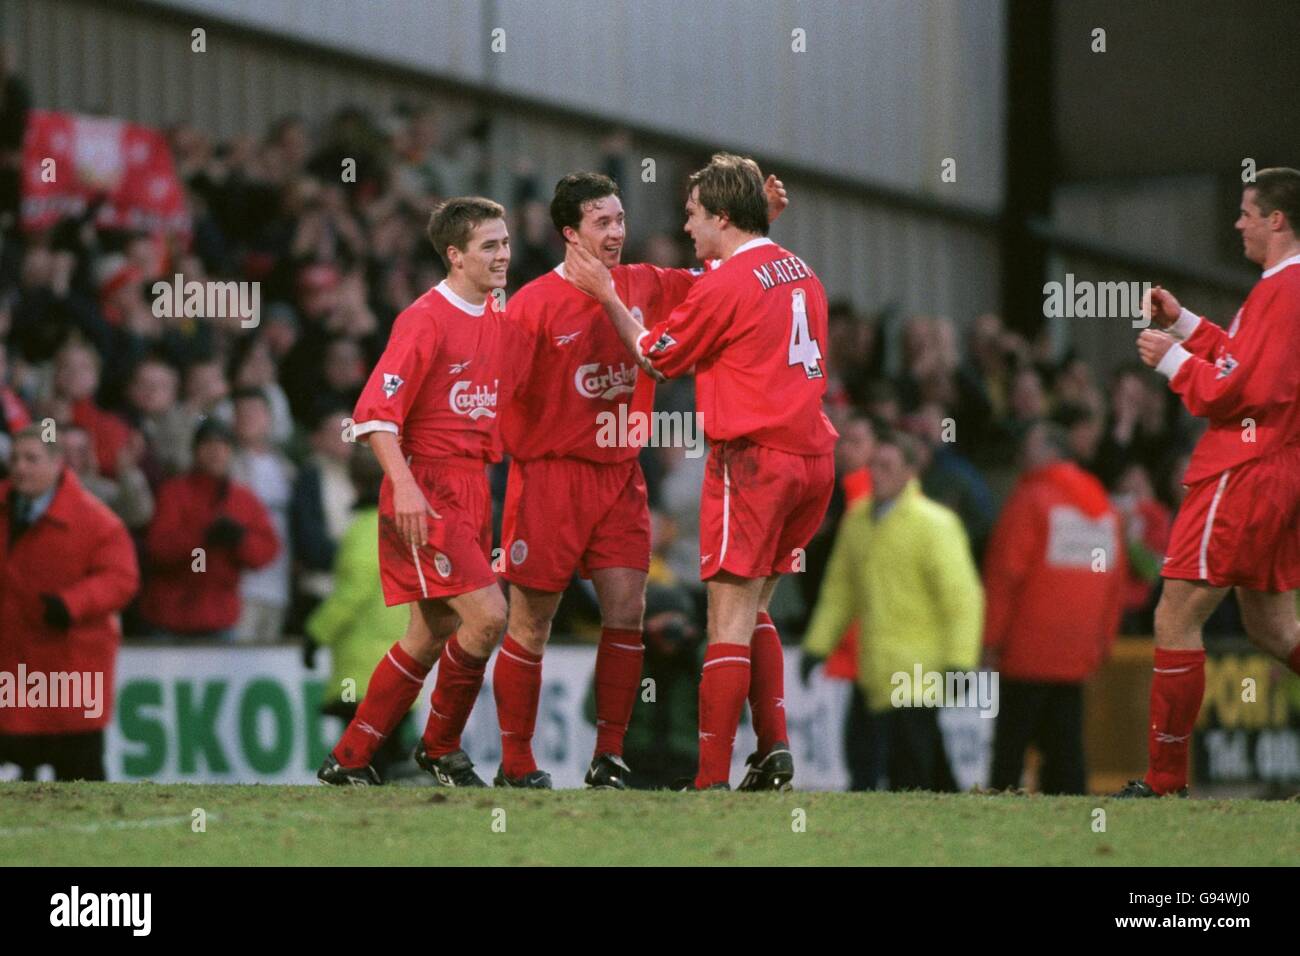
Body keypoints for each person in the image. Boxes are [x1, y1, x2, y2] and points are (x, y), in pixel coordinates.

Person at [493, 169, 787, 789]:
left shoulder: (646, 283)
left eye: (620, 220)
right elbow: (497, 398)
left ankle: (609, 756)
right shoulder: (530, 308)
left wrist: (763, 228)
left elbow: (723, 283)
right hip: (549, 478)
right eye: (602, 222)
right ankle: (516, 762)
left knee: (628, 612)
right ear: (570, 233)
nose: (616, 232)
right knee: (532, 621)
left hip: (620, 477)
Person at [564, 153, 836, 790]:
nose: (686, 227)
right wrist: (757, 219)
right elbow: (745, 281)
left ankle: (710, 780)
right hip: (813, 458)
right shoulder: (800, 269)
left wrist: (606, 294)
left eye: (692, 215)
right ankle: (773, 750)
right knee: (759, 610)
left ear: (720, 215)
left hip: (754, 460)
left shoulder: (725, 284)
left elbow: (656, 356)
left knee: (727, 623)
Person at [317, 196, 517, 788]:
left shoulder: (496, 313)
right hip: (427, 488)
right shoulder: (425, 318)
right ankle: (440, 746)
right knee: (488, 618)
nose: (503, 254)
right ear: (454, 255)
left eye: (506, 243)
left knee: (429, 635)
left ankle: (349, 758)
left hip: (472, 485)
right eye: (490, 245)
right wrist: (404, 487)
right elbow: (375, 415)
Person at [1116, 167, 1300, 797]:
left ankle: (1165, 783)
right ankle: (1166, 781)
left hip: (1242, 472)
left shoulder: (1286, 288)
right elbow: (1247, 362)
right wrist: (1188, 324)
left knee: (1174, 619)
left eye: (1248, 212)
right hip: (1277, 470)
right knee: (1275, 631)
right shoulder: (1281, 289)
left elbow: (1244, 390)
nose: (1238, 222)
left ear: (1276, 220)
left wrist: (1169, 358)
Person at [800, 430, 983, 791]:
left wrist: (960, 662)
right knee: (870, 764)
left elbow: (962, 599)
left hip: (918, 672)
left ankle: (928, 829)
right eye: (873, 466)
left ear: (909, 473)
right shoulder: (857, 522)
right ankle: (943, 818)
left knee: (910, 769)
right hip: (874, 669)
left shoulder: (934, 525)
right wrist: (817, 646)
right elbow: (840, 593)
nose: (876, 474)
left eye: (886, 466)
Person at [982, 421, 1124, 794]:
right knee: (1066, 748)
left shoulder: (1031, 498)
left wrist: (989, 640)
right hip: (1076, 652)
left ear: (1048, 452)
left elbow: (1004, 576)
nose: (1019, 457)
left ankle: (1000, 814)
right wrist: (1102, 642)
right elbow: (1115, 584)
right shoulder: (1102, 504)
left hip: (1026, 651)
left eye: (1027, 449)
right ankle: (1072, 815)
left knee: (1011, 747)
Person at [0, 426, 138, 780]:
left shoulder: (95, 521)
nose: (20, 468)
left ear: (57, 463)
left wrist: (73, 604)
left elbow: (121, 578)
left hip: (70, 667)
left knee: (81, 779)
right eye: (15, 458)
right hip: (15, 667)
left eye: (32, 459)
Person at [306, 447, 411, 779]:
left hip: (364, 668)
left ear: (354, 482)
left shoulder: (365, 529)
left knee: (364, 757)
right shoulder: (406, 526)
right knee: (387, 752)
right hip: (401, 662)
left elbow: (354, 591)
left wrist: (316, 633)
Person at [138, 418, 280, 640]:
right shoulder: (174, 492)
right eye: (208, 446)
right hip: (171, 617)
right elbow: (158, 549)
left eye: (222, 446)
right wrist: (201, 538)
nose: (215, 452)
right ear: (195, 451)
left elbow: (266, 552)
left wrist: (240, 540)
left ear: (231, 453)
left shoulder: (243, 499)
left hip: (219, 617)